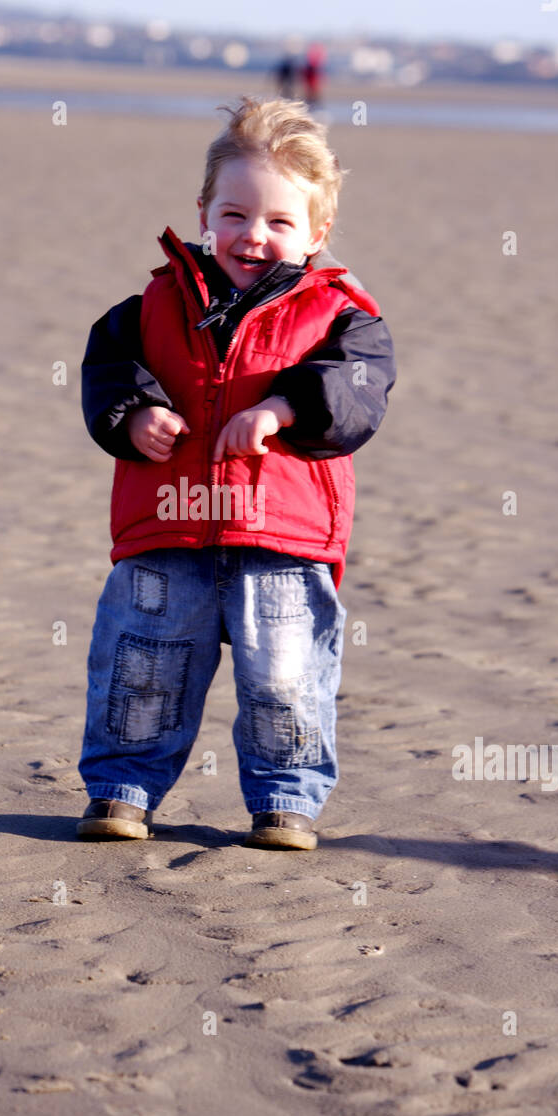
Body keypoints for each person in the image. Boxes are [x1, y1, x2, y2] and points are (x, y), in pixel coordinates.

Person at [78, 96, 395, 850]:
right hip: (167, 532)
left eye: (280, 223)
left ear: (316, 232)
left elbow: (358, 393)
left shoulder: (343, 316)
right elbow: (107, 370)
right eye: (234, 214)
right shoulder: (151, 305)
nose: (253, 236)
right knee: (143, 666)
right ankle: (122, 790)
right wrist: (134, 412)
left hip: (281, 535)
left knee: (285, 678)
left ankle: (285, 800)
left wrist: (283, 408)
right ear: (203, 212)